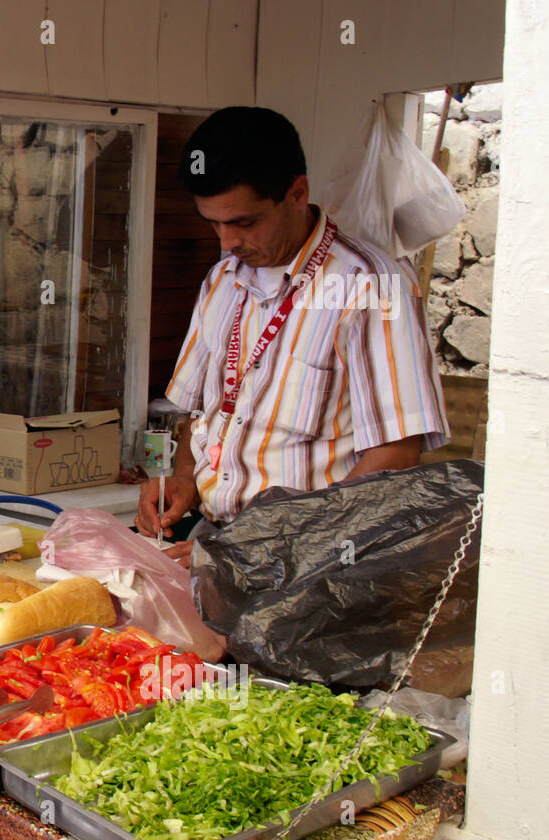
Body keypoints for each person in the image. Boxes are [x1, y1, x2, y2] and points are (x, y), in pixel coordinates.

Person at [136, 107, 449, 566]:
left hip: (313, 563)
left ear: (297, 193)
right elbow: (205, 413)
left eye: (243, 223)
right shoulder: (222, 280)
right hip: (215, 544)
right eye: (213, 223)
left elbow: (396, 451)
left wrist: (281, 548)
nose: (227, 242)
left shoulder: (370, 285)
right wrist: (185, 477)